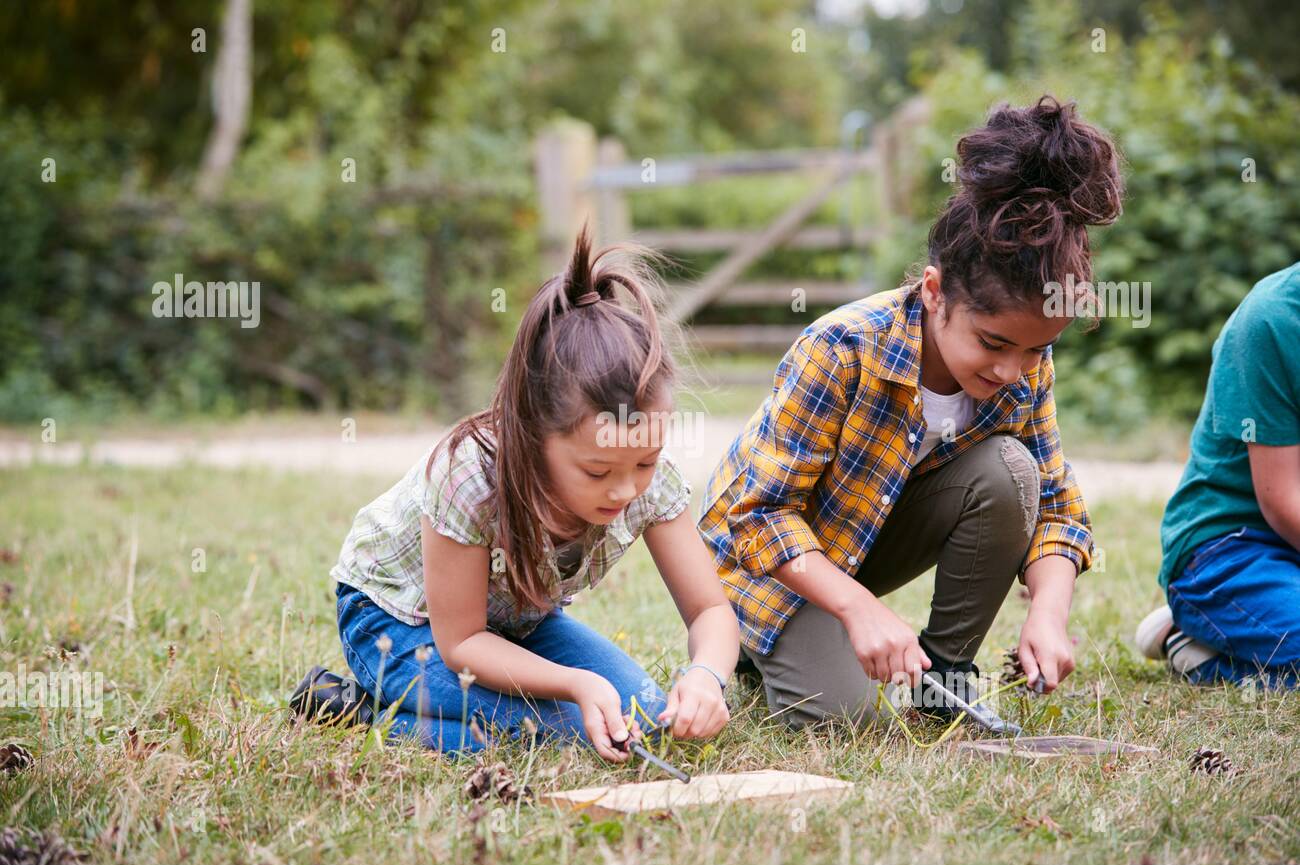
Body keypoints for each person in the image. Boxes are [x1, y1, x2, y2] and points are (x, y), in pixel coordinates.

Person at [697, 96, 1124, 729]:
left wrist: (1048, 613)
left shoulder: (1023, 364)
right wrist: (857, 609)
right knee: (847, 722)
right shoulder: (842, 350)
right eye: (994, 343)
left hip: (860, 548)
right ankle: (754, 655)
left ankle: (940, 679)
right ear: (933, 292)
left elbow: (1057, 504)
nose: (1012, 370)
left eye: (1038, 348)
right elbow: (758, 518)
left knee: (1010, 470)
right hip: (766, 570)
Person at [296, 225, 741, 758]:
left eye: (645, 460)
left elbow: (710, 611)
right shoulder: (469, 476)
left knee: (642, 713)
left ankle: (425, 709)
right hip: (399, 623)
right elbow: (461, 642)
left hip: (515, 625)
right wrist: (575, 683)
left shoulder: (649, 481)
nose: (625, 488)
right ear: (533, 435)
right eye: (597, 471)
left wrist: (707, 675)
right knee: (564, 728)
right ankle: (354, 710)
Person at [1135, 262, 1300, 690]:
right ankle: (1195, 646)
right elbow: (1284, 501)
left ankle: (1228, 634)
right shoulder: (1273, 319)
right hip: (1232, 549)